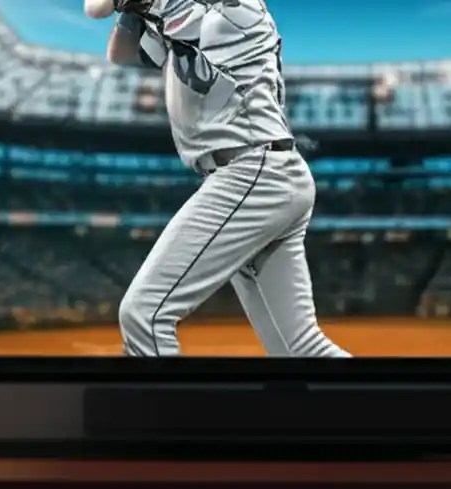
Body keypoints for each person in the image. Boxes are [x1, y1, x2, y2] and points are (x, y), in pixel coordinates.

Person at [84, 0, 349, 358]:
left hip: (252, 172)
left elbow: (187, 41)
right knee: (300, 347)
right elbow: (121, 54)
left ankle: (162, 415)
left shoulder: (237, 9)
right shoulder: (193, 12)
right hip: (260, 174)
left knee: (144, 315)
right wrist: (129, 12)